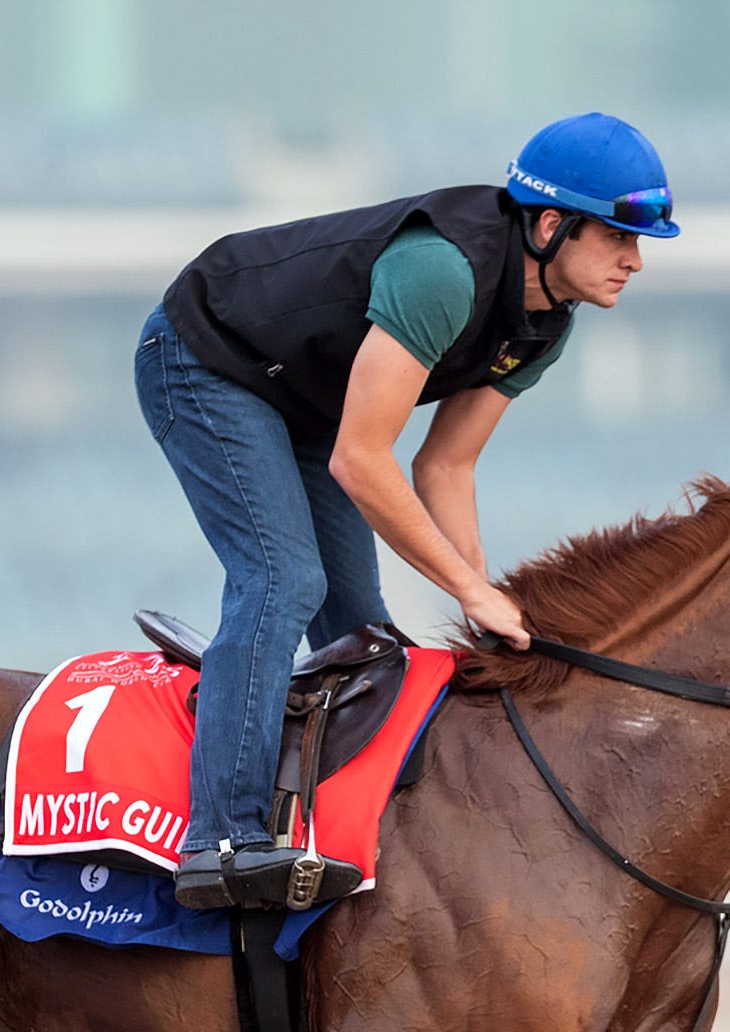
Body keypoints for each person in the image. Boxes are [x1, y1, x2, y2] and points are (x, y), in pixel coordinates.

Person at [137, 111, 677, 910]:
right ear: (552, 225)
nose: (635, 261)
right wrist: (466, 587)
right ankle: (224, 840)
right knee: (283, 580)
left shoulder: (545, 323)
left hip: (302, 399)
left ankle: (356, 826)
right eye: (618, 238)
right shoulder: (441, 272)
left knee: (364, 633)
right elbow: (361, 459)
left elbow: (444, 464)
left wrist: (486, 600)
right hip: (206, 362)